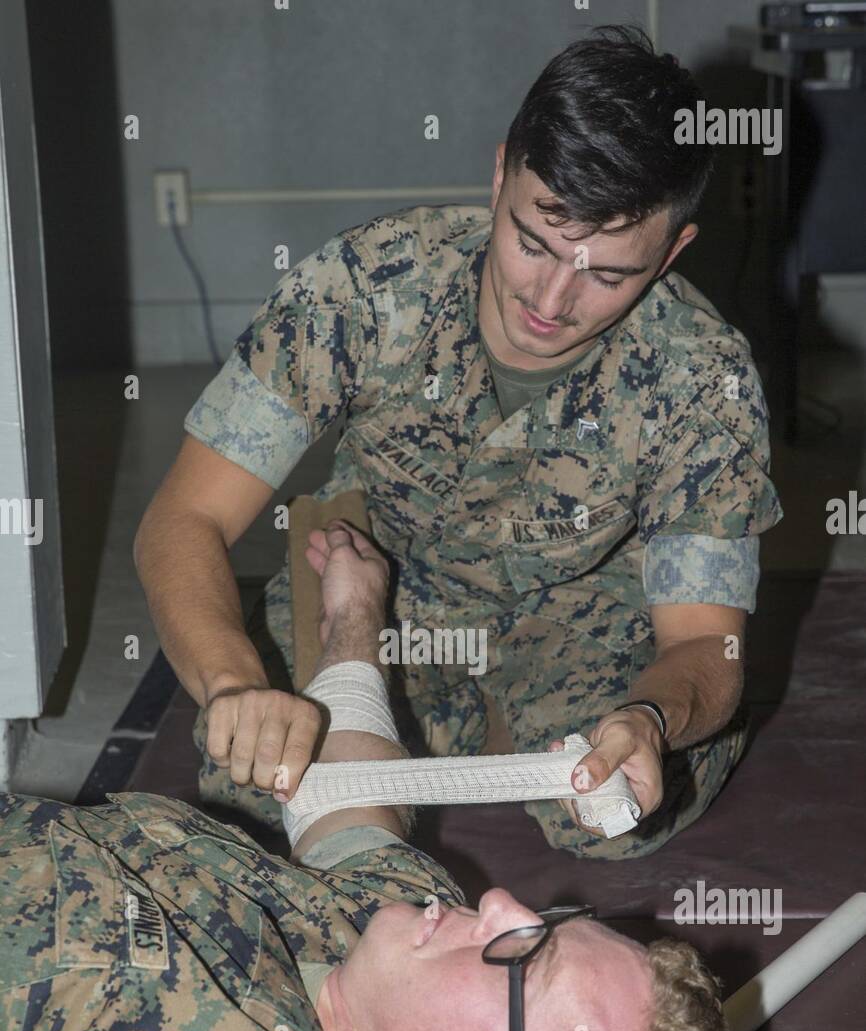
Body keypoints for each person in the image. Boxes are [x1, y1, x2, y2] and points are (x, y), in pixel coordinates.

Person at [0, 523, 736, 1031]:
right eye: (545, 922)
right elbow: (348, 805)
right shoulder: (387, 952)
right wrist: (353, 620)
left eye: (523, 954)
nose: (495, 903)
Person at [134, 25, 782, 860]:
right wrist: (235, 687)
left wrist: (652, 719)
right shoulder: (368, 288)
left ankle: (540, 721)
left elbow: (703, 643)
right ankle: (366, 638)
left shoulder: (703, 377)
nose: (550, 298)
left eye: (606, 273)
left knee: (616, 814)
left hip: (590, 605)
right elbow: (182, 520)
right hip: (391, 574)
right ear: (501, 170)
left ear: (672, 251)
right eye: (531, 242)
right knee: (263, 786)